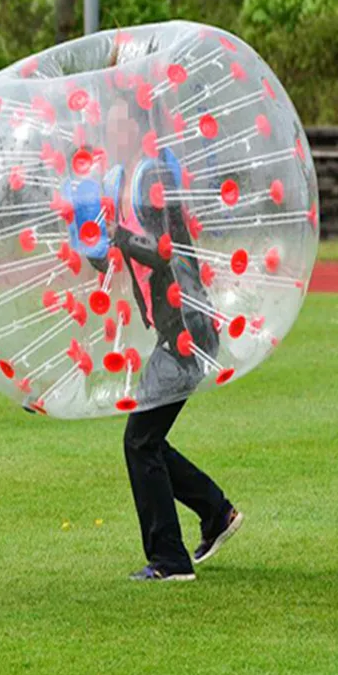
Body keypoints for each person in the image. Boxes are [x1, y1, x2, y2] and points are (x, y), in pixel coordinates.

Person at [98, 88, 244, 581]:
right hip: (172, 330)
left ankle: (170, 559)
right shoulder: (123, 180)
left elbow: (161, 250)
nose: (112, 132)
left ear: (139, 129)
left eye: (120, 123)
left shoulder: (152, 174)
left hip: (187, 329)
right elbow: (124, 253)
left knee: (140, 440)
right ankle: (216, 512)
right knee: (147, 438)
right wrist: (102, 247)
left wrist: (120, 238)